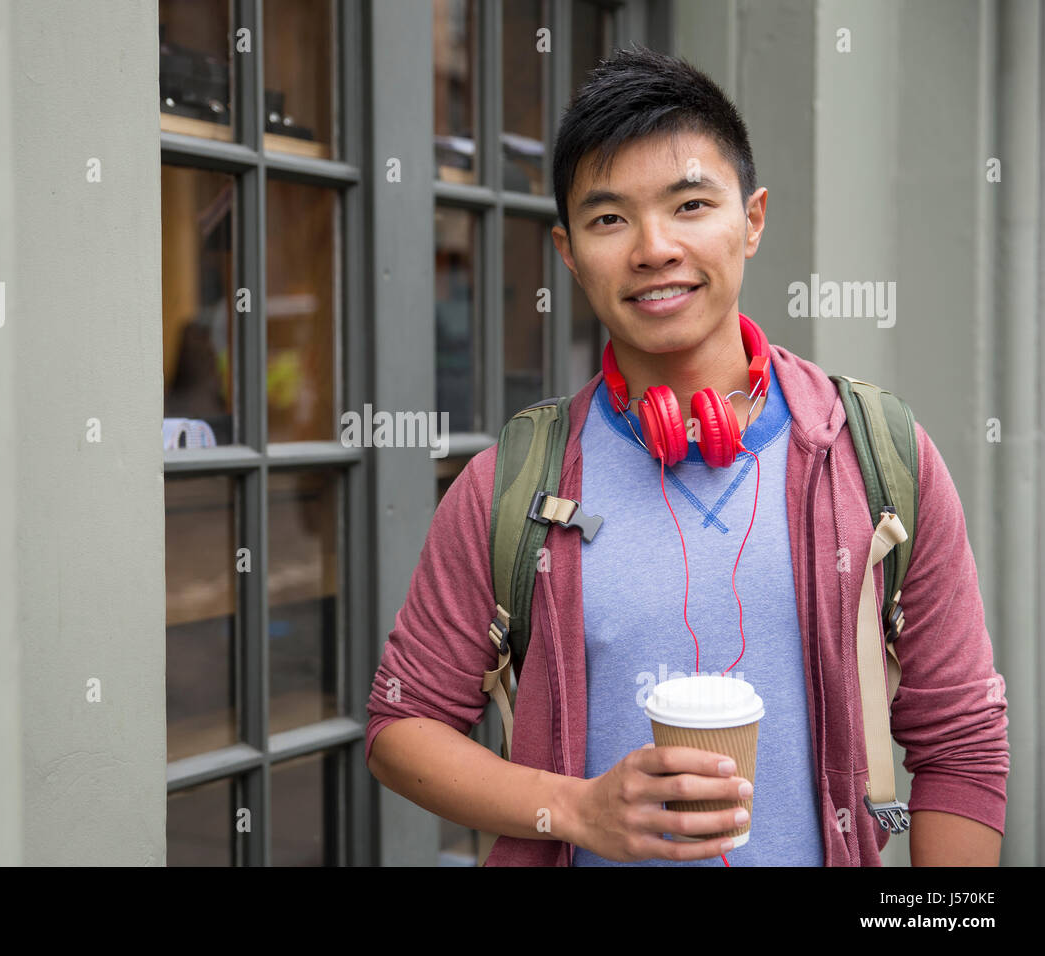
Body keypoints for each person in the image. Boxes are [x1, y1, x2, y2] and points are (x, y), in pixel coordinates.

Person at [364, 45, 1008, 866]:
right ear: (567, 252)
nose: (653, 248)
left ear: (753, 218)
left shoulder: (879, 458)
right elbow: (399, 729)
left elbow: (961, 746)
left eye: (691, 204)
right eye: (609, 219)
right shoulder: (511, 487)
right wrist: (575, 810)